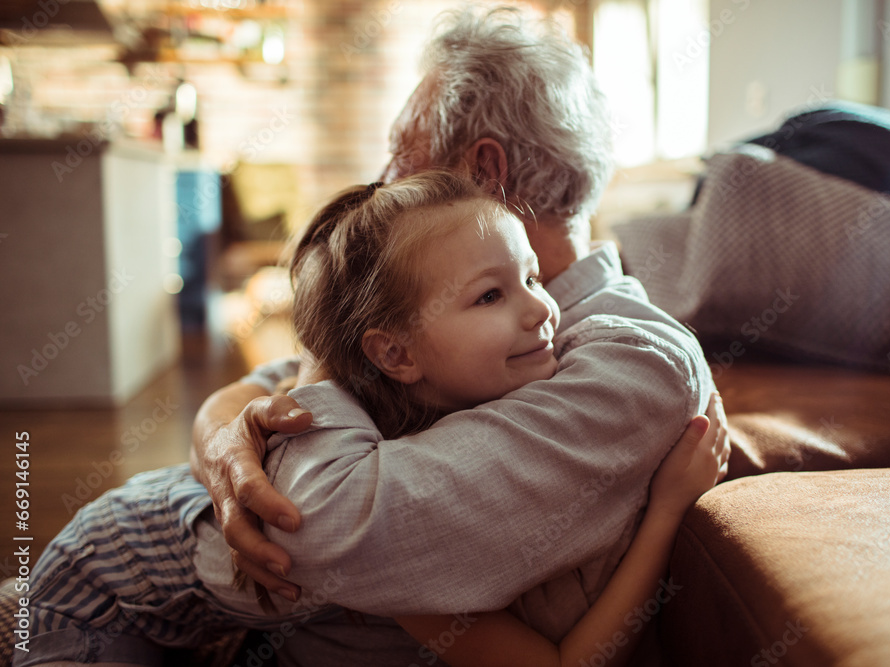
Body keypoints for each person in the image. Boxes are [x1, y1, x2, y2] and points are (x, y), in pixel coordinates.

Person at [20, 172, 726, 666]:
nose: (545, 309)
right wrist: (665, 512)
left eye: (532, 277)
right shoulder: (390, 531)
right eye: (490, 295)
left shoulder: (451, 418)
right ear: (393, 352)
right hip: (97, 590)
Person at [191, 8, 729, 624]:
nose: (380, 187)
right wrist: (224, 452)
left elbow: (325, 525)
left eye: (398, 160)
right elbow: (264, 388)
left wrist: (251, 441)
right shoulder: (465, 326)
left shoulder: (632, 365)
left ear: (481, 174)